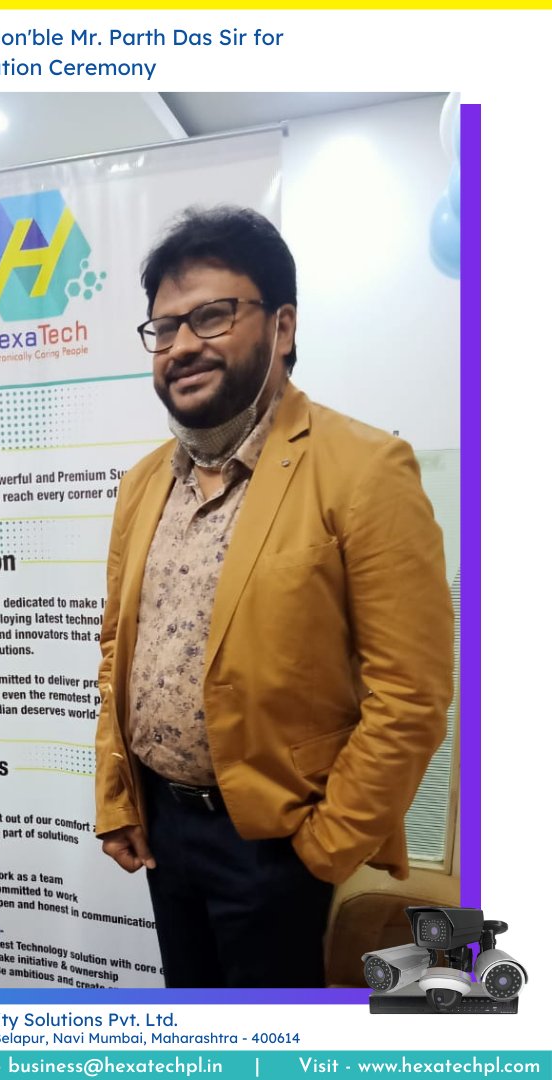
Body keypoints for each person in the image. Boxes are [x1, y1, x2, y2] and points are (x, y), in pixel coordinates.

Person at [94, 206, 454, 988]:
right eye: (164, 328)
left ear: (282, 327)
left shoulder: (364, 469)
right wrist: (119, 795)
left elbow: (413, 694)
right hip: (164, 827)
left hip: (277, 843)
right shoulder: (144, 484)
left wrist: (323, 848)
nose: (182, 345)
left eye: (212, 317)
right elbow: (118, 648)